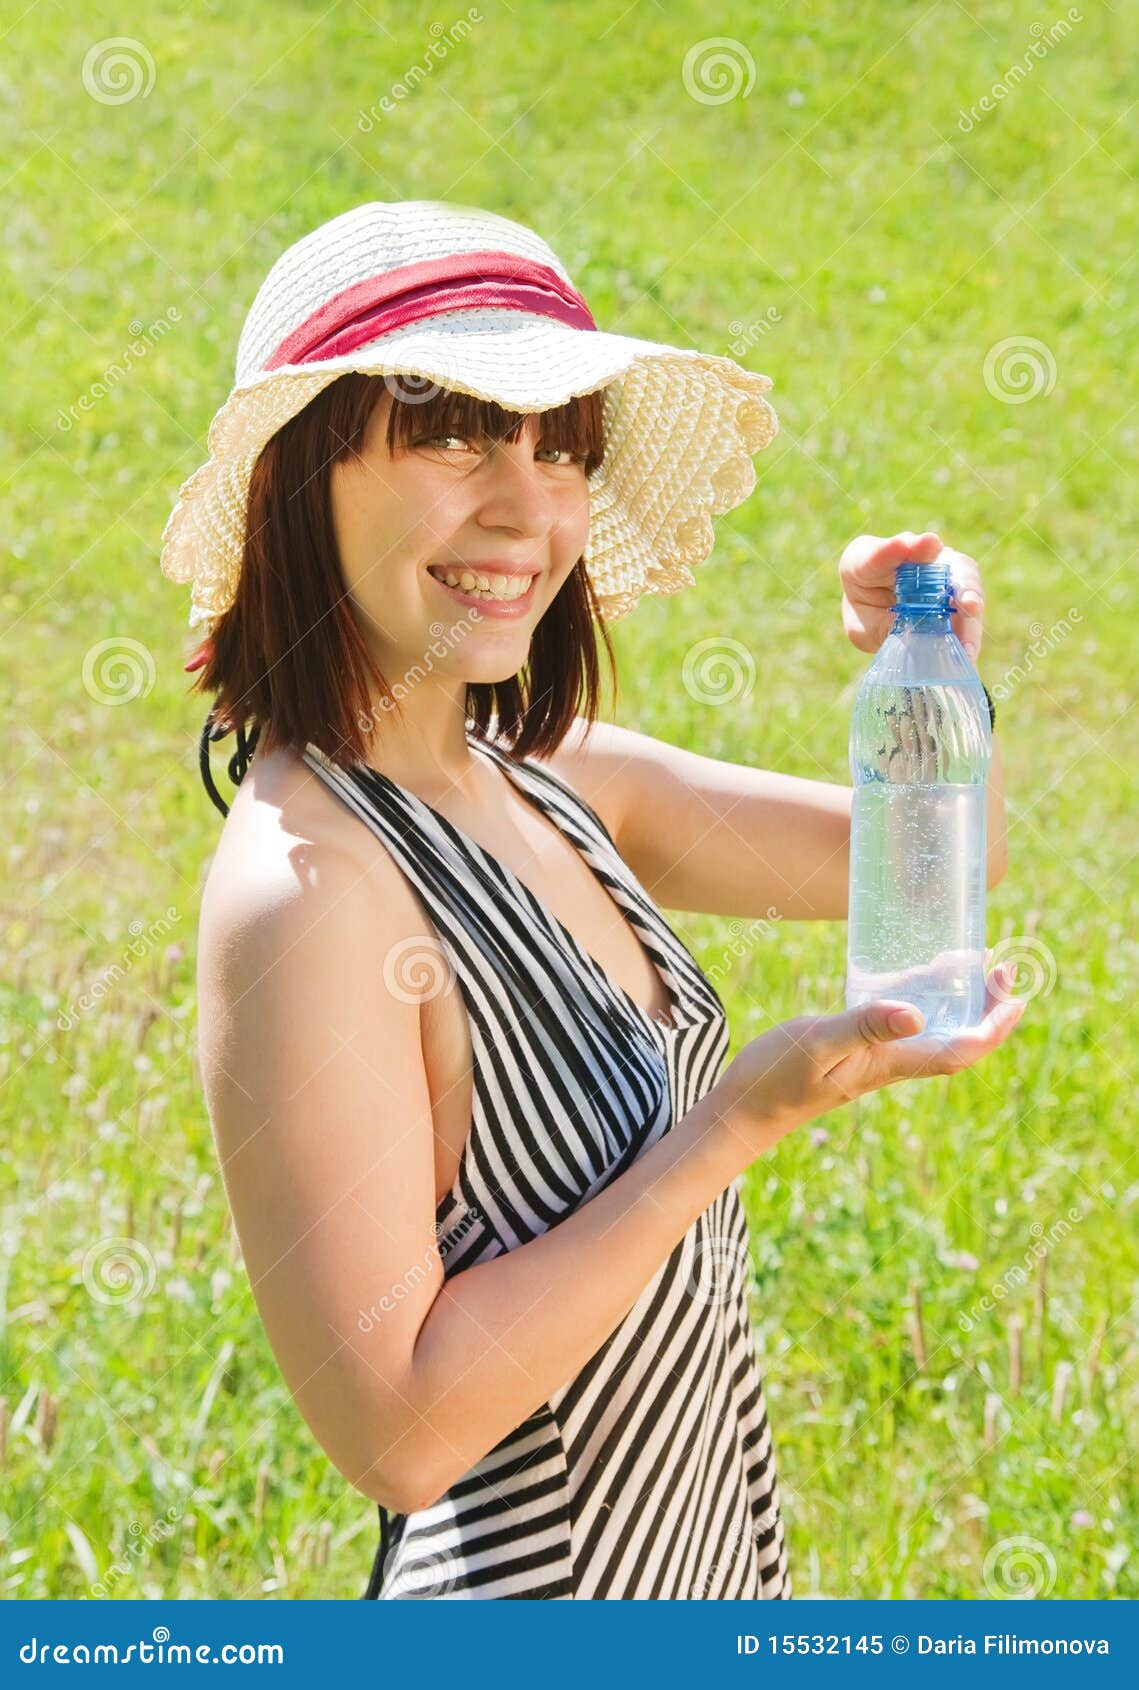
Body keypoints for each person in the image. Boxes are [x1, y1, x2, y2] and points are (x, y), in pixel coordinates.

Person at [162, 199, 1023, 1600]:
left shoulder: (552, 774)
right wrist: (737, 1120)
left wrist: (933, 668)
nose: (524, 505)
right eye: (450, 430)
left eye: (559, 446)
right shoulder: (308, 890)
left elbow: (942, 866)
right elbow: (397, 1431)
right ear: (302, 475)